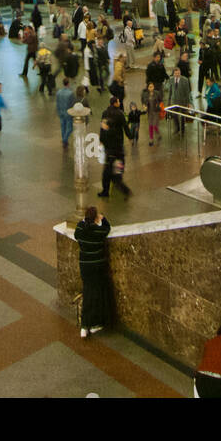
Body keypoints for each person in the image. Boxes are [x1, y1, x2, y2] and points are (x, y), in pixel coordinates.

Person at [73, 206, 113, 338]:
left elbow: (77, 232)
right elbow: (107, 229)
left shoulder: (80, 229)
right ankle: (91, 324)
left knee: (88, 291)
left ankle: (85, 326)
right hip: (96, 266)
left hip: (85, 266)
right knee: (94, 294)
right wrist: (103, 219)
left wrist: (87, 220)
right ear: (96, 218)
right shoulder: (98, 231)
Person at [97, 99, 132, 198]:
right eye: (118, 102)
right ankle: (124, 189)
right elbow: (125, 127)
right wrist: (130, 136)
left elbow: (102, 130)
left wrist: (101, 140)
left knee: (106, 174)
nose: (119, 103)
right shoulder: (120, 114)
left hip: (109, 151)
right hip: (118, 150)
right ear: (115, 103)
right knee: (117, 173)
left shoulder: (105, 113)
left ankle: (106, 191)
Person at [55, 78, 76, 150]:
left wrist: (57, 111)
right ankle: (64, 139)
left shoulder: (58, 92)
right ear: (68, 83)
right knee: (70, 128)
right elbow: (72, 104)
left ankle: (65, 140)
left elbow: (57, 103)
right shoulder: (70, 93)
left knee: (63, 127)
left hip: (61, 112)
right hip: (68, 113)